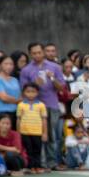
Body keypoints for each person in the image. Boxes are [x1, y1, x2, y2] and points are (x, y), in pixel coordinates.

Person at [19, 42, 69, 170]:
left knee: (51, 135)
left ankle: (52, 162)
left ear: (43, 52)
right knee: (37, 136)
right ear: (30, 54)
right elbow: (23, 90)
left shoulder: (55, 67)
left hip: (51, 104)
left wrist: (52, 79)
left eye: (39, 52)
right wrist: (34, 84)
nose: (37, 55)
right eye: (34, 53)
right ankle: (40, 162)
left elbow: (61, 88)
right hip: (34, 107)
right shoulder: (26, 70)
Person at [15, 82, 48, 172]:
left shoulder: (41, 105)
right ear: (24, 93)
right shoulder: (21, 105)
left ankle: (37, 166)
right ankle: (30, 167)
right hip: (25, 132)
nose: (30, 94)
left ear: (37, 93)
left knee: (37, 150)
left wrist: (45, 133)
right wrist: (18, 133)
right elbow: (18, 119)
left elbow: (44, 120)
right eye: (28, 91)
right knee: (28, 150)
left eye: (33, 92)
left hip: (37, 132)